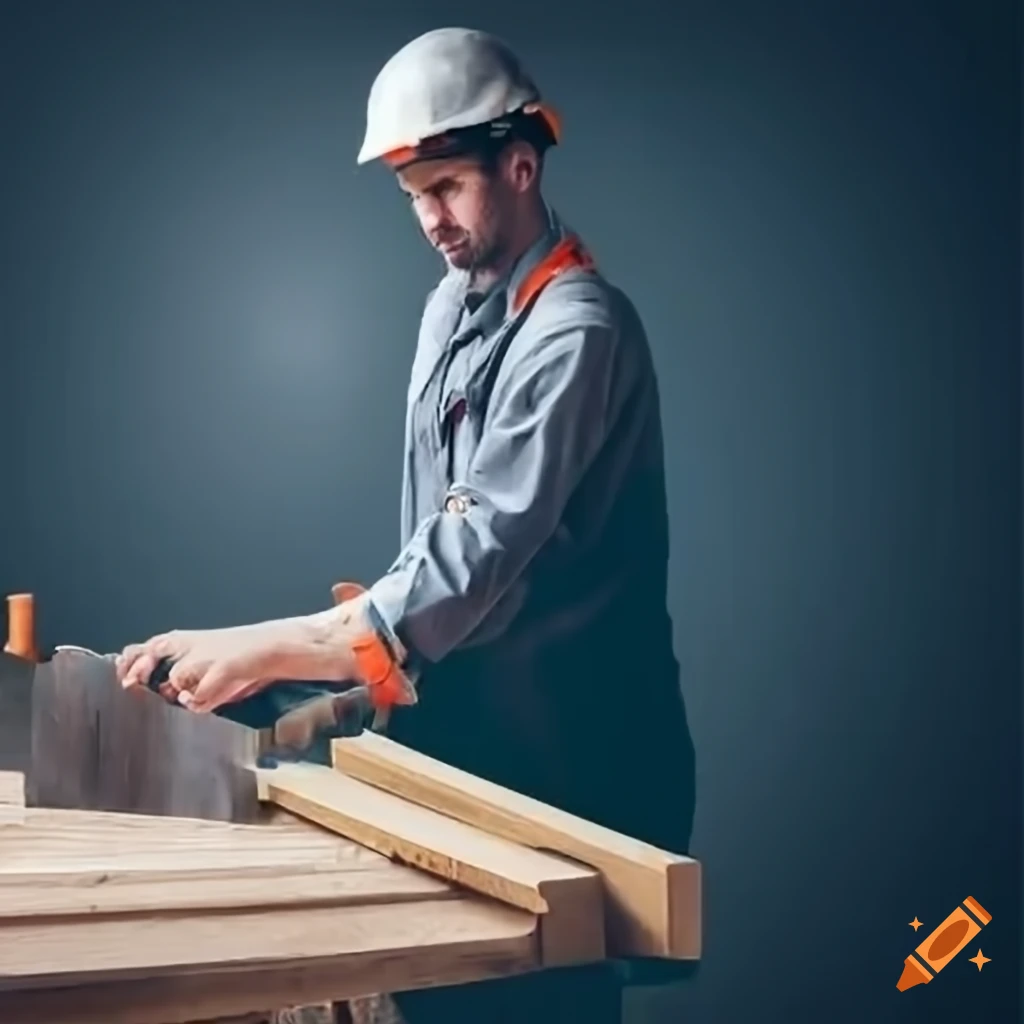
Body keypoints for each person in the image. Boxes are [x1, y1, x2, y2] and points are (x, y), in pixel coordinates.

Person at [116, 27, 696, 1024]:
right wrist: (292, 676)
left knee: (534, 1005)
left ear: (519, 165)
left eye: (447, 188)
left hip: (562, 778)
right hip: (462, 754)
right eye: (413, 196)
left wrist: (264, 647)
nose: (428, 218)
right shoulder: (446, 311)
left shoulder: (578, 334)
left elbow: (465, 567)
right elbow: (426, 558)